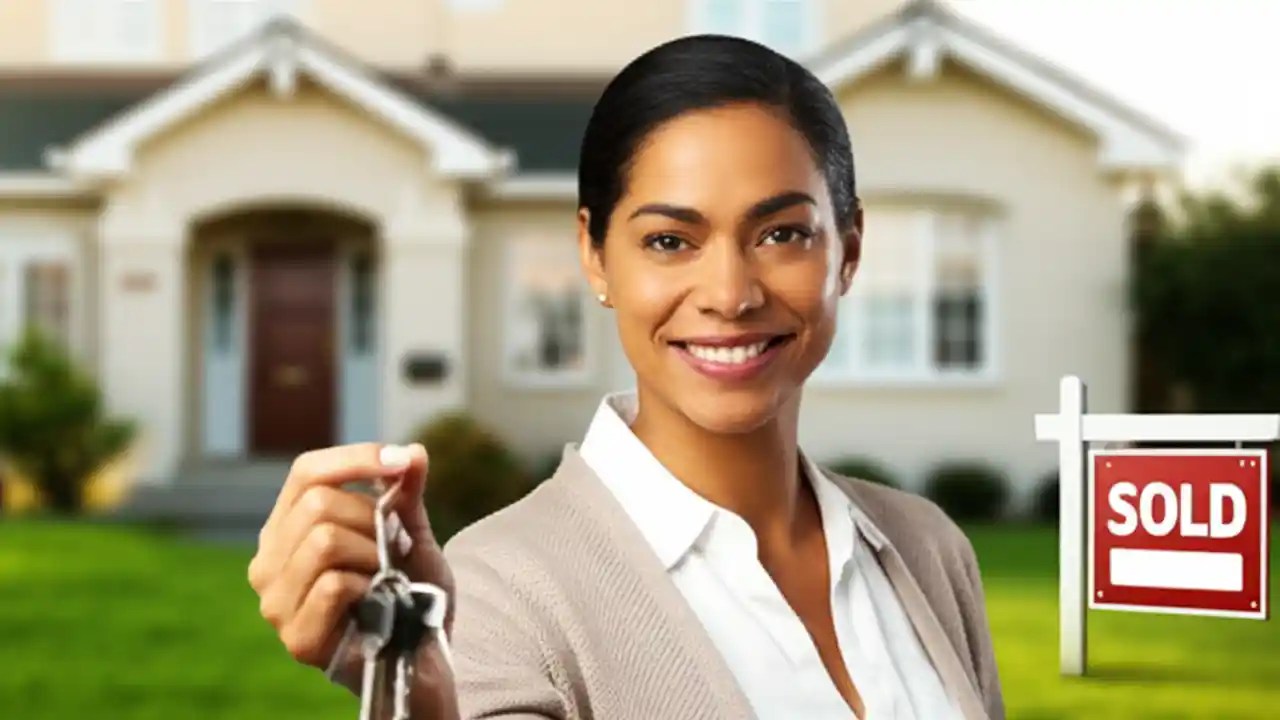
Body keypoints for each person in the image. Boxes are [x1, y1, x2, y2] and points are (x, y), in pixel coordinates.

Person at [248, 34, 1004, 720]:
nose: (731, 293)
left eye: (782, 234)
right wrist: (417, 692)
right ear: (596, 255)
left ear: (848, 248)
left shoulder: (929, 549)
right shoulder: (498, 592)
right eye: (671, 241)